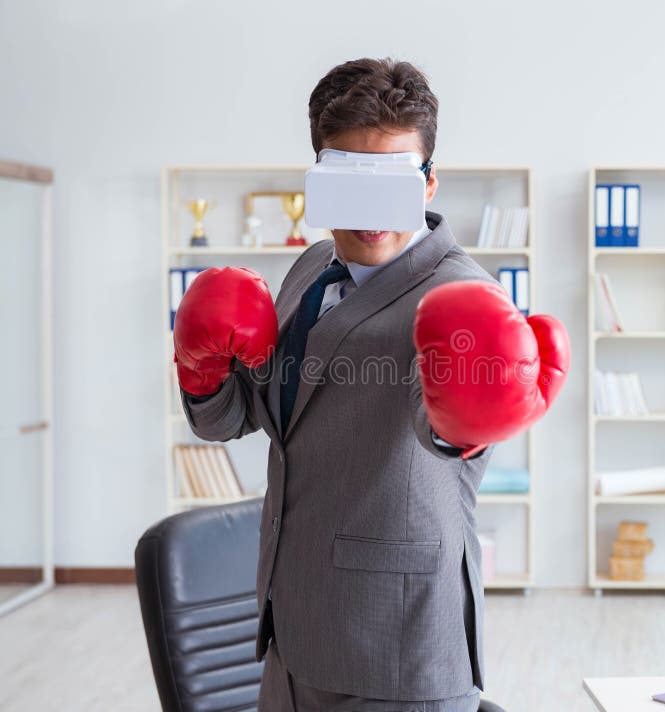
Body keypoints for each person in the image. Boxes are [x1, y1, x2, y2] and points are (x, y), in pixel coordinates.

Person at [173, 57, 571, 712]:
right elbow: (244, 420)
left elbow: (443, 438)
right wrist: (203, 371)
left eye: (390, 184)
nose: (370, 215)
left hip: (395, 646)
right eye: (348, 184)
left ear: (429, 183)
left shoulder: (463, 295)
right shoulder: (310, 268)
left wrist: (466, 427)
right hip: (292, 629)